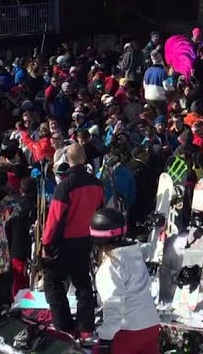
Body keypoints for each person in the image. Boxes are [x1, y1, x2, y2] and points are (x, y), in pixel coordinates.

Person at [41, 145, 105, 339]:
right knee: (83, 282)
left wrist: (47, 244)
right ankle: (85, 326)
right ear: (84, 157)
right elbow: (100, 211)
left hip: (64, 241)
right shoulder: (96, 183)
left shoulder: (65, 186)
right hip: (86, 239)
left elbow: (54, 219)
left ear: (67, 160)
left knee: (53, 283)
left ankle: (63, 326)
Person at [87, 208, 159, 354]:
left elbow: (113, 304)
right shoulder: (134, 255)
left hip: (127, 330)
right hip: (150, 324)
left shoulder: (110, 266)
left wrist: (106, 339)